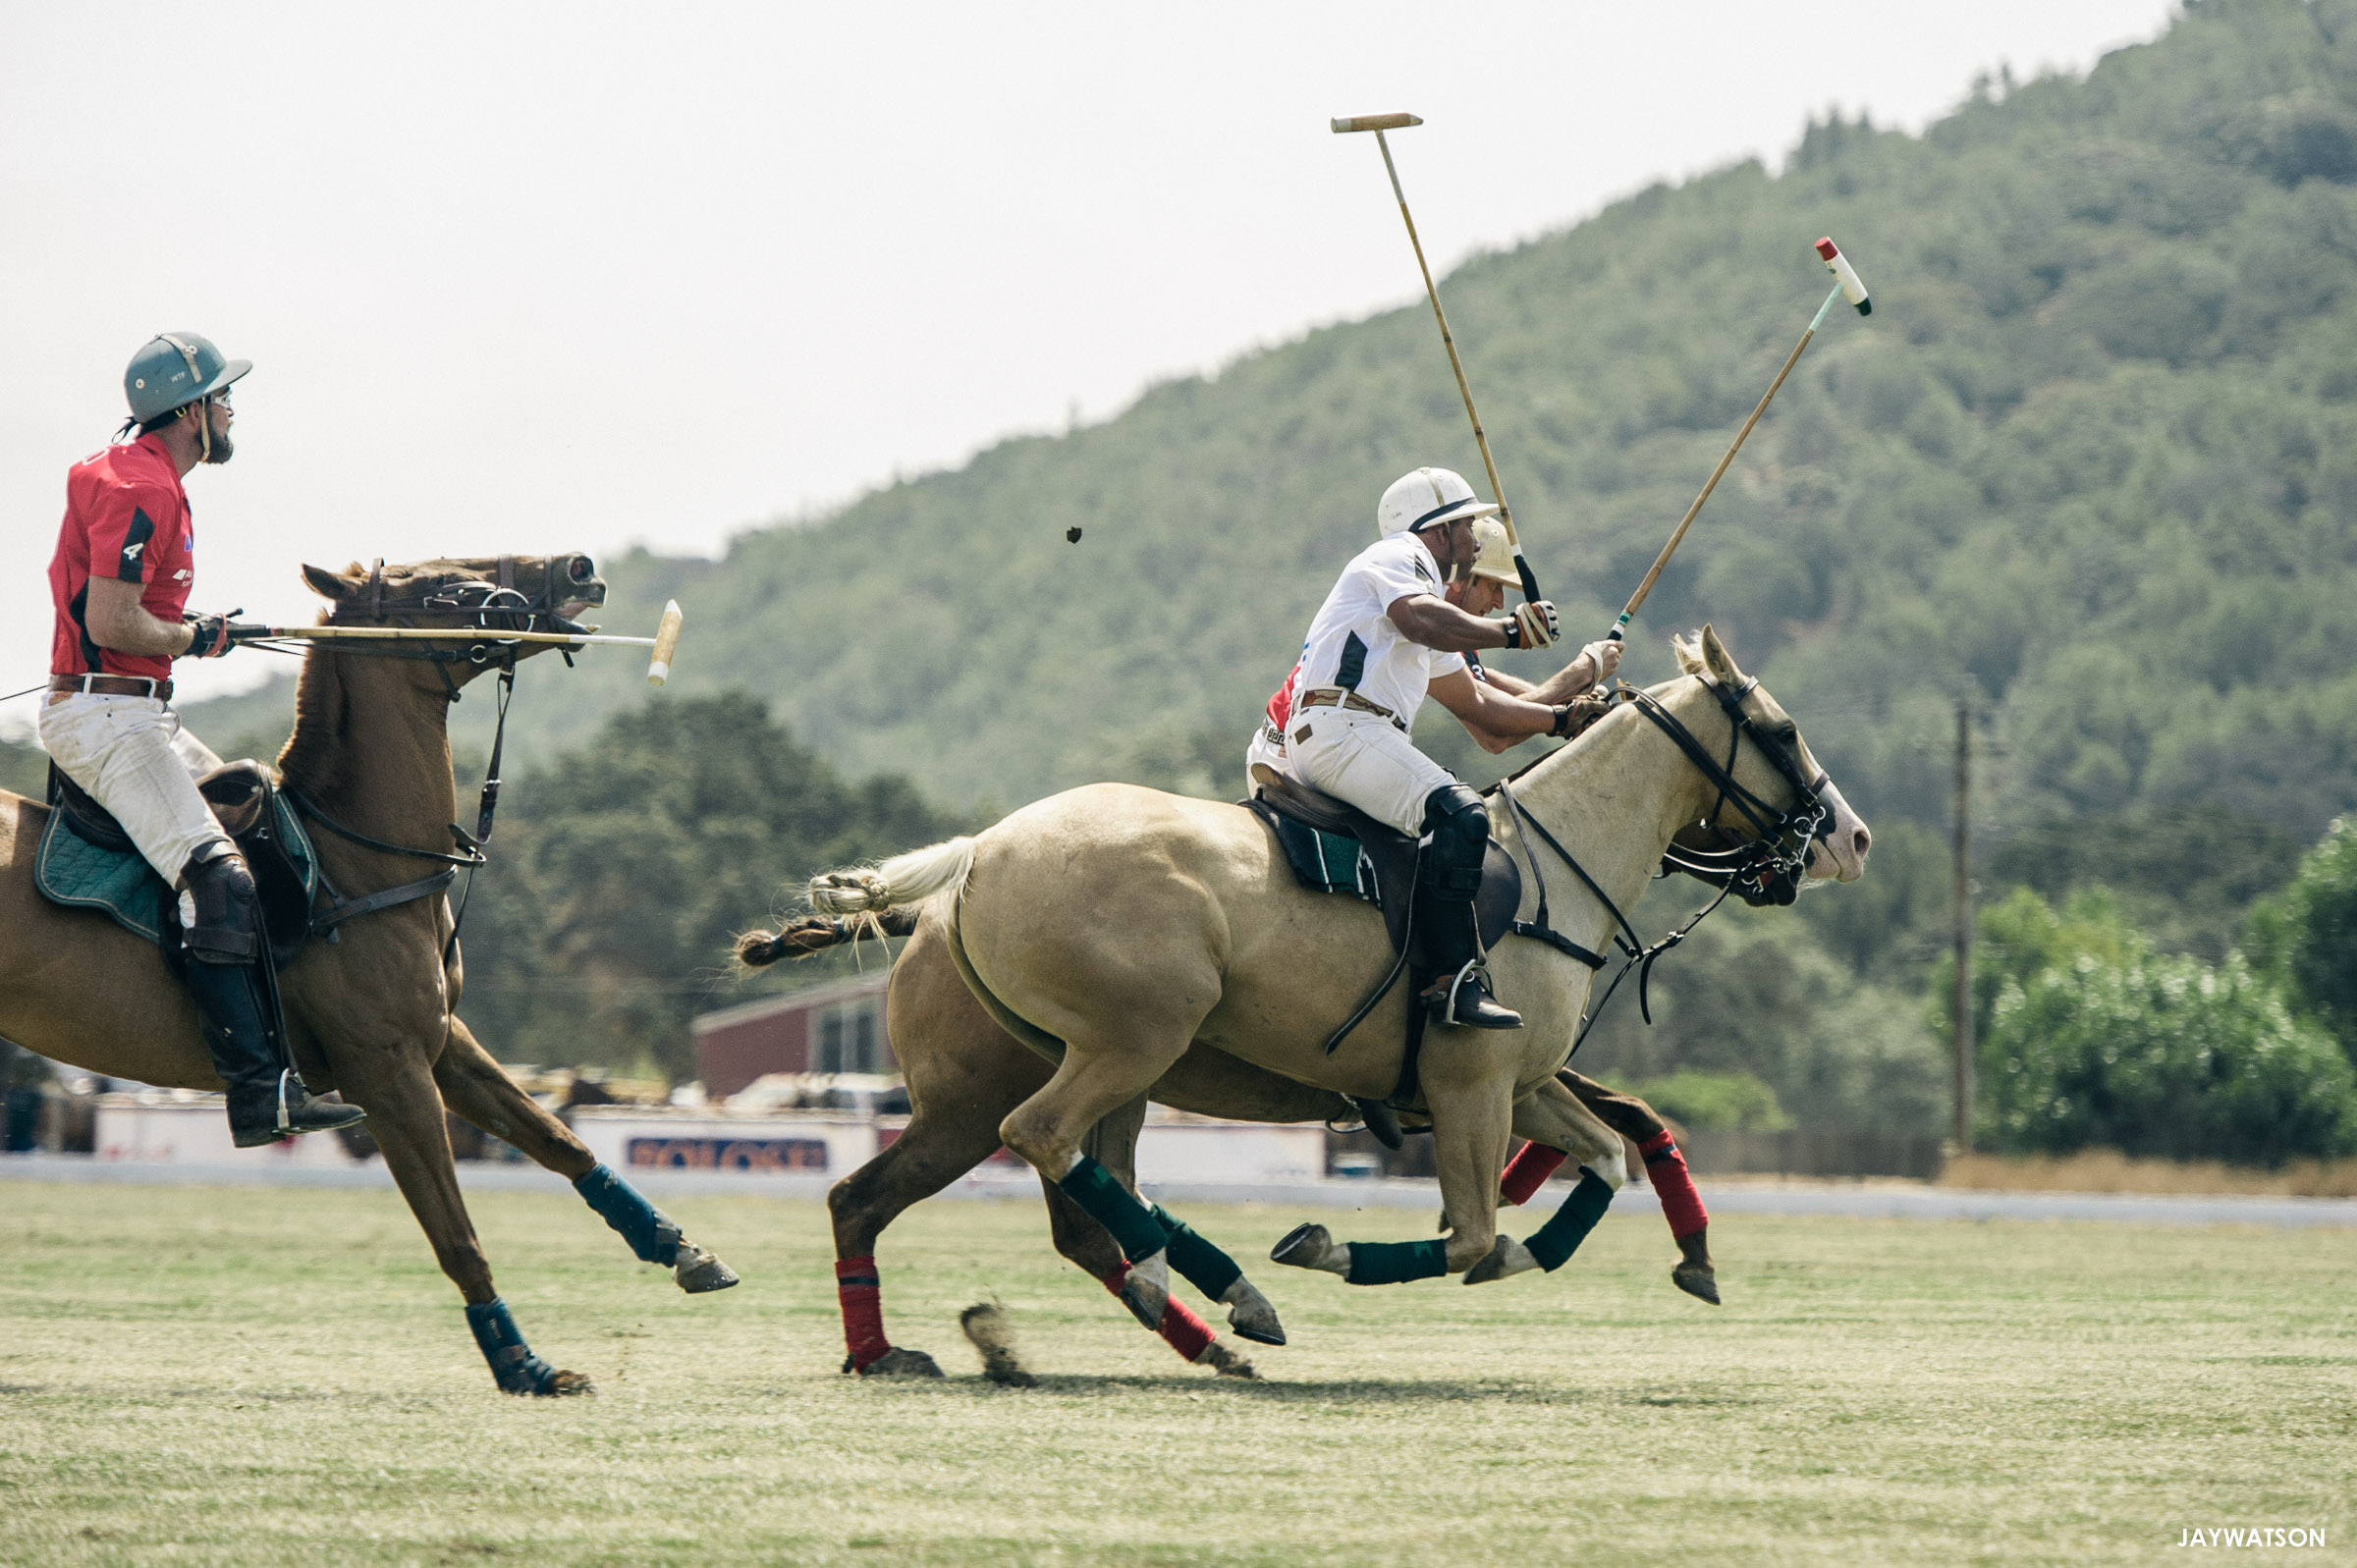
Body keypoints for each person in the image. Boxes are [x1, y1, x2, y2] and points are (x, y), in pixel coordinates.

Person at [39, 333, 365, 1147]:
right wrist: (196, 637)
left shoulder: (154, 482)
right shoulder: (140, 485)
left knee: (258, 824)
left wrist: (195, 633)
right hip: (104, 715)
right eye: (220, 397)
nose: (228, 409)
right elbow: (114, 621)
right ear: (189, 411)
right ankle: (257, 1092)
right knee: (219, 878)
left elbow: (130, 619)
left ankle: (282, 1051)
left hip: (141, 709)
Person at [1247, 467, 1620, 1029]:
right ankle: (1453, 982)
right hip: (1342, 730)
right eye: (1468, 526)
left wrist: (1563, 716)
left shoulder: (1427, 615)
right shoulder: (1400, 557)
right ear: (1438, 530)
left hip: (1346, 733)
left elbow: (1485, 713)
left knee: (1444, 823)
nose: (1474, 541)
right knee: (1462, 814)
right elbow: (1420, 619)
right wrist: (1511, 633)